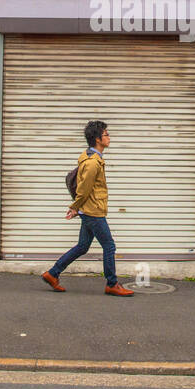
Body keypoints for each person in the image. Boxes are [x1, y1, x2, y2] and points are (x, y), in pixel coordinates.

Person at [41, 120, 133, 296]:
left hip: (88, 210)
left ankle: (52, 273)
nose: (109, 137)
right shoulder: (92, 163)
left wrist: (77, 208)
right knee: (109, 246)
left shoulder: (92, 158)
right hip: (93, 211)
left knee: (83, 246)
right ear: (98, 139)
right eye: (106, 134)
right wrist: (75, 207)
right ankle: (112, 284)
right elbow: (83, 189)